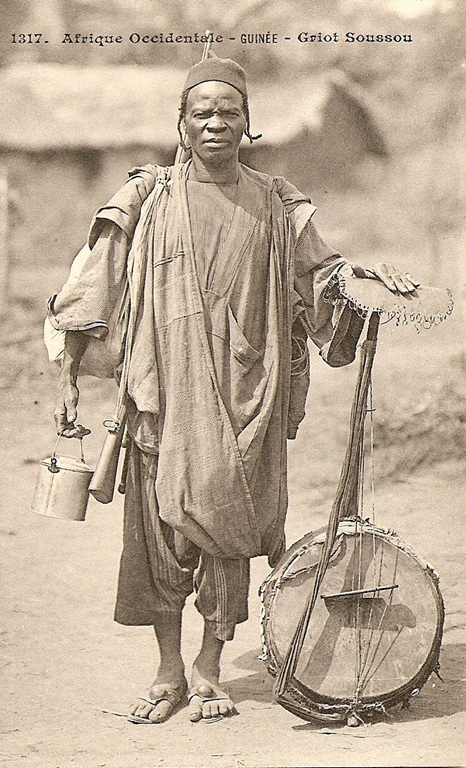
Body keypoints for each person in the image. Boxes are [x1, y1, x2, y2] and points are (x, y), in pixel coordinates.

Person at [47, 57, 418, 724]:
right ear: (182, 124)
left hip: (251, 396)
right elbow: (91, 285)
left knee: (230, 533)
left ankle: (209, 669)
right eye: (203, 112)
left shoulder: (278, 202)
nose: (216, 122)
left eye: (230, 111)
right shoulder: (147, 197)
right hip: (163, 398)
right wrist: (69, 377)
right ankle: (168, 671)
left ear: (249, 123)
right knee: (160, 539)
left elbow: (323, 275)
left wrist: (366, 284)